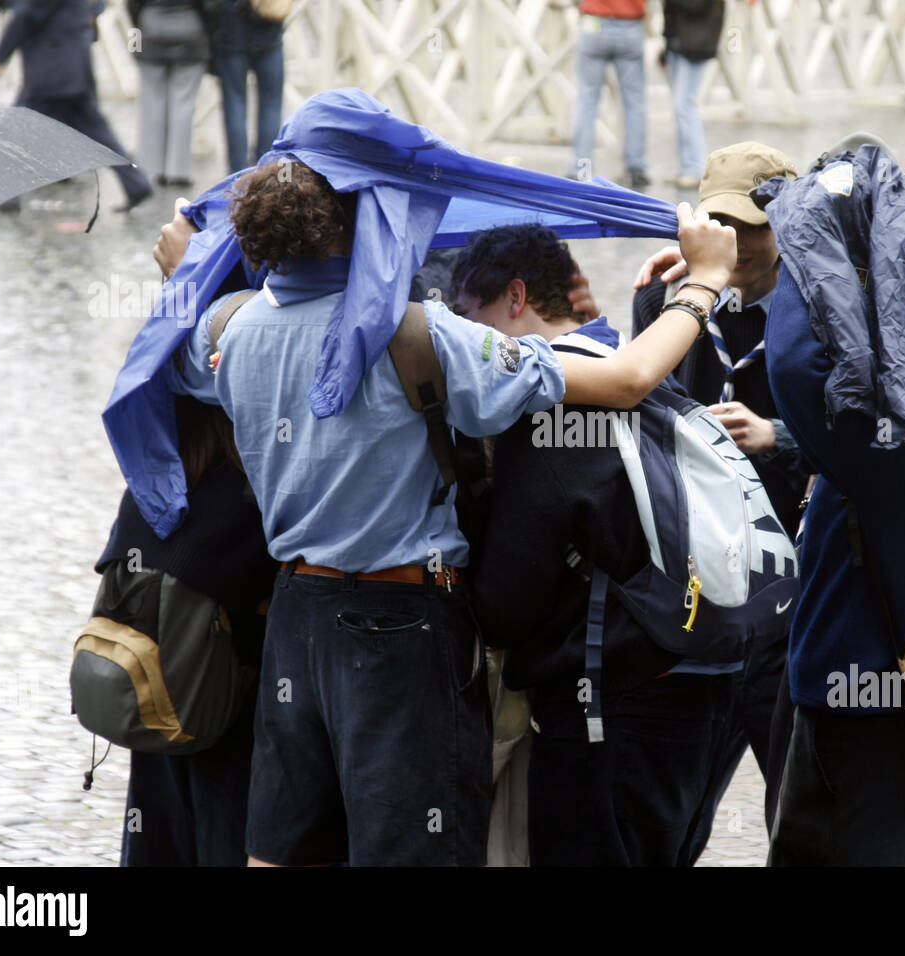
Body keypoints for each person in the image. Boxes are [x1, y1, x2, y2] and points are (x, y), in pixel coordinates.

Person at [155, 166, 736, 865]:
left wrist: (185, 270)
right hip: (401, 625)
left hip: (295, 615)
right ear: (364, 226)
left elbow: (180, 348)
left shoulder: (233, 327)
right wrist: (704, 280)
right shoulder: (421, 335)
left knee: (280, 851)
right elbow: (626, 379)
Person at [458, 225, 728, 866]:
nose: (464, 341)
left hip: (608, 706)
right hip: (698, 676)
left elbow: (505, 604)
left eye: (469, 317)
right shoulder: (622, 360)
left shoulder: (548, 405)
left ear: (515, 297)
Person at [631, 140, 810, 854]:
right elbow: (637, 417)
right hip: (697, 587)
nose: (735, 246)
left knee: (794, 797)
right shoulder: (667, 295)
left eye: (754, 228)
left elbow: (868, 432)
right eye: (720, 226)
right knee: (672, 805)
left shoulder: (822, 307)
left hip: (787, 585)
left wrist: (778, 435)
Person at [762, 262, 905, 866]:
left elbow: (791, 366)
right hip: (840, 705)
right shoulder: (902, 431)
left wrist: (804, 259)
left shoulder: (897, 440)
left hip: (878, 719)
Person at [100, 395, 275, 866]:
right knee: (224, 829)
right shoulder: (247, 487)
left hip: (153, 693)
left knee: (157, 832)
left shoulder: (151, 483)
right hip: (227, 704)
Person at [0, 0, 153, 210]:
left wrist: (0, 53)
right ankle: (136, 184)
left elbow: (28, 13)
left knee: (19, 129)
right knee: (98, 132)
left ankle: (5, 195)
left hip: (53, 66)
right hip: (73, 63)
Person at [128, 0, 219, 189]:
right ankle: (178, 170)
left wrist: (136, 35)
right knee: (183, 105)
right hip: (191, 31)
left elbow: (132, 5)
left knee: (151, 104)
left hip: (150, 31)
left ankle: (150, 168)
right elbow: (212, 6)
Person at [572, 0, 649, 190]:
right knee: (634, 102)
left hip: (594, 21)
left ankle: (581, 168)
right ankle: (635, 168)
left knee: (587, 100)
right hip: (631, 24)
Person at [212, 0, 284, 173]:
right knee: (271, 104)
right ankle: (266, 169)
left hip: (231, 32)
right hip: (269, 30)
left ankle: (238, 171)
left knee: (235, 102)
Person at [660, 0, 724, 189]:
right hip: (679, 43)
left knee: (685, 105)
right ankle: (686, 167)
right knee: (681, 107)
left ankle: (695, 169)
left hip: (695, 44)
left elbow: (695, 5)